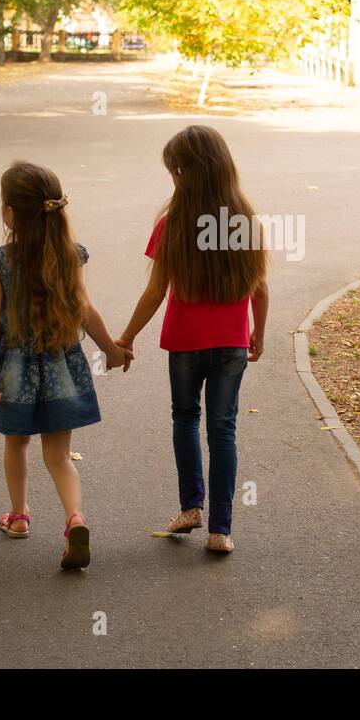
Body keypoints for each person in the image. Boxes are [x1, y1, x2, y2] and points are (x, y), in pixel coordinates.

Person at [0, 161, 130, 569]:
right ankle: (75, 518)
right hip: (63, 368)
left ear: (10, 213)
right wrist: (111, 349)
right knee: (59, 456)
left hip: (13, 370)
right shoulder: (69, 257)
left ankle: (20, 516)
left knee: (16, 442)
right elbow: (84, 309)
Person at [117, 126, 269, 555]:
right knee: (223, 429)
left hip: (185, 344)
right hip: (231, 345)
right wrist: (259, 330)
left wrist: (126, 337)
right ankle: (221, 530)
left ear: (184, 174)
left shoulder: (173, 225)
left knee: (185, 418)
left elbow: (155, 292)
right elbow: (259, 287)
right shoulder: (242, 220)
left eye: (175, 172)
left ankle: (190, 508)